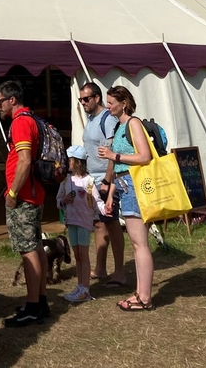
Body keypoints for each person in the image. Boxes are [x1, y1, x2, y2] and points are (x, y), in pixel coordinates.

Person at [0, 80, 49, 327]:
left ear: (12, 100)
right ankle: (40, 301)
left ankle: (34, 306)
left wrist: (13, 192)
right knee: (35, 246)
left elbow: (25, 160)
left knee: (28, 250)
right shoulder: (31, 119)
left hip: (25, 196)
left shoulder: (20, 123)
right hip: (34, 193)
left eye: (0, 101)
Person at [97, 85, 154, 312]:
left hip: (134, 185)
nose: (108, 106)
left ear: (124, 103)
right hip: (122, 185)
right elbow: (117, 168)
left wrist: (113, 154)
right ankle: (140, 294)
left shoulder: (133, 123)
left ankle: (145, 298)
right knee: (136, 243)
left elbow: (144, 156)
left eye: (111, 102)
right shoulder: (119, 126)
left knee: (140, 243)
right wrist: (111, 195)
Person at [79, 81, 126, 288]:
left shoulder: (106, 120)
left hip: (105, 180)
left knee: (112, 223)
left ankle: (120, 272)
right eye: (80, 99)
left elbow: (112, 152)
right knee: (99, 223)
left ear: (96, 98)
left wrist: (108, 180)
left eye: (86, 99)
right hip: (94, 179)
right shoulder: (91, 119)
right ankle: (100, 268)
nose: (83, 102)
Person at [57, 145, 104, 303]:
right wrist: (63, 201)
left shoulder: (89, 181)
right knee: (77, 255)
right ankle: (80, 285)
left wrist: (105, 209)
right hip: (71, 222)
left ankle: (85, 289)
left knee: (83, 255)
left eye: (69, 160)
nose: (66, 163)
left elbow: (97, 201)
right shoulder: (66, 181)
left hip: (84, 222)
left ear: (77, 162)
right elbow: (58, 200)